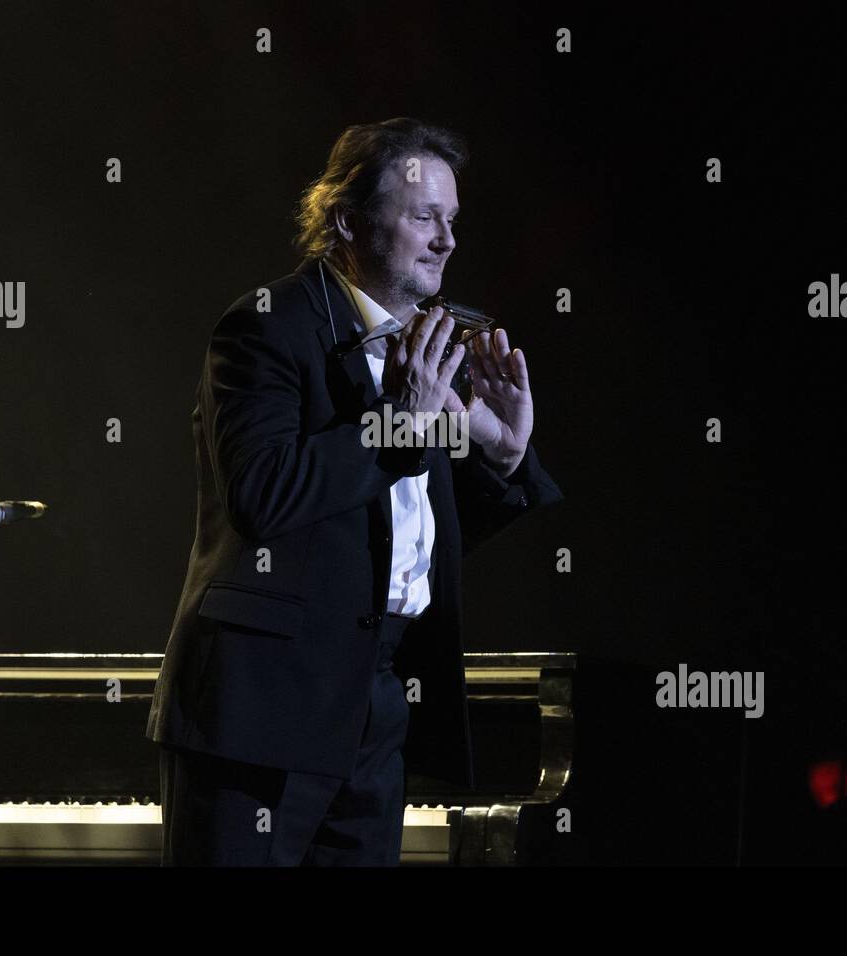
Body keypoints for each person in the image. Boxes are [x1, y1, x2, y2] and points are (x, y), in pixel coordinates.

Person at [146, 117, 563, 865]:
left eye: (452, 220)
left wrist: (498, 458)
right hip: (263, 710)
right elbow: (265, 496)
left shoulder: (428, 345)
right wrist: (403, 427)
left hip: (376, 712)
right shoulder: (266, 329)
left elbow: (396, 529)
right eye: (423, 216)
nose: (447, 240)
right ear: (347, 219)